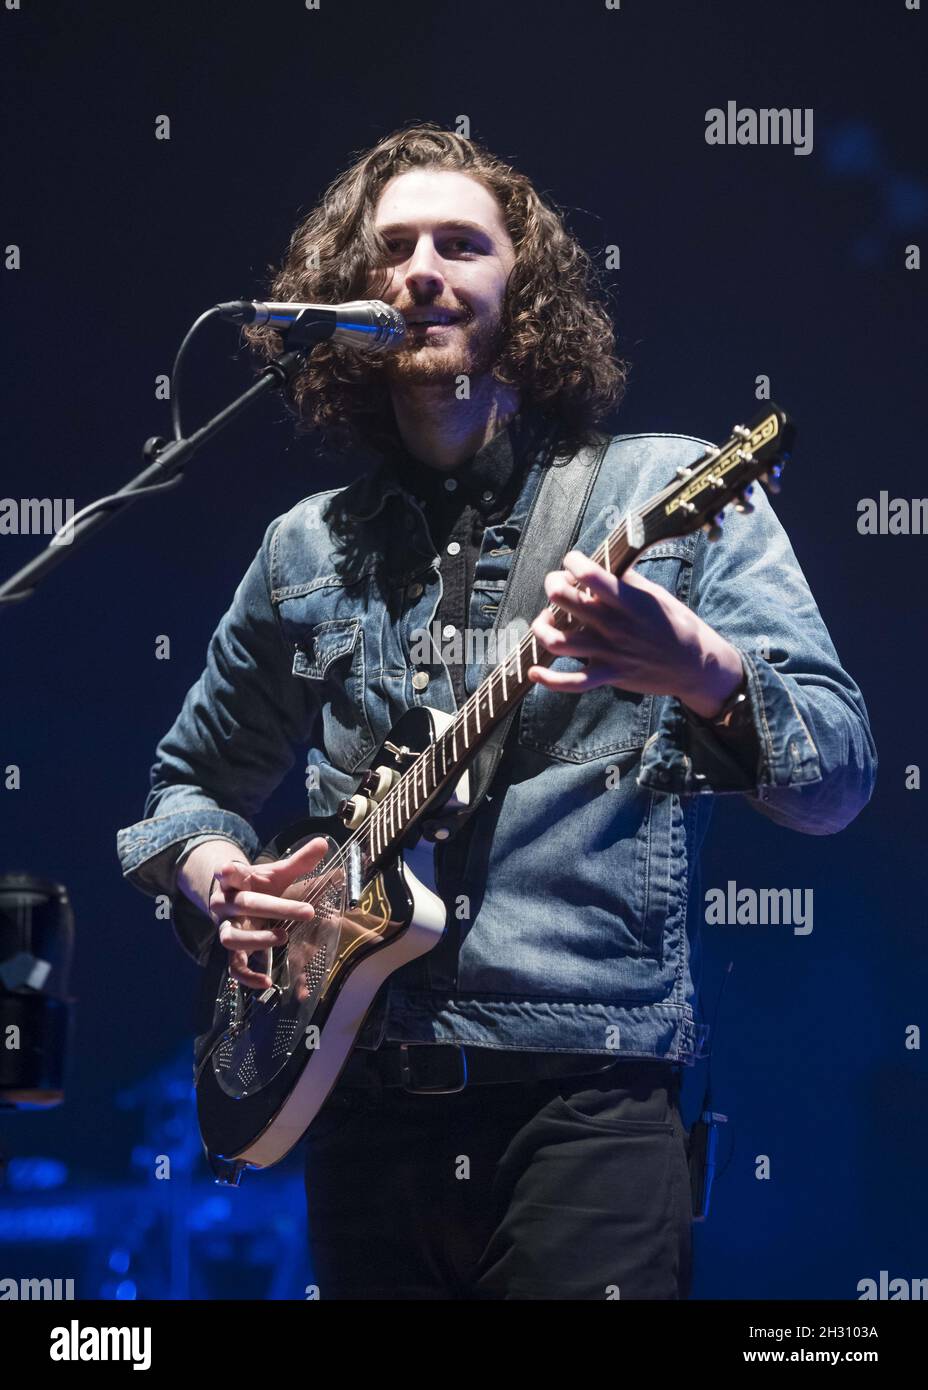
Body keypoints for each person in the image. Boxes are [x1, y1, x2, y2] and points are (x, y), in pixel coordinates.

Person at [116, 123, 876, 1300]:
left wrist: (699, 669)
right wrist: (220, 874)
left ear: (525, 295)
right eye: (394, 247)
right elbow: (180, 795)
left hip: (588, 1107)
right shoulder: (306, 549)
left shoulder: (656, 493)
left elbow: (837, 774)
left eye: (460, 244)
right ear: (345, 296)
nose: (421, 268)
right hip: (362, 1110)